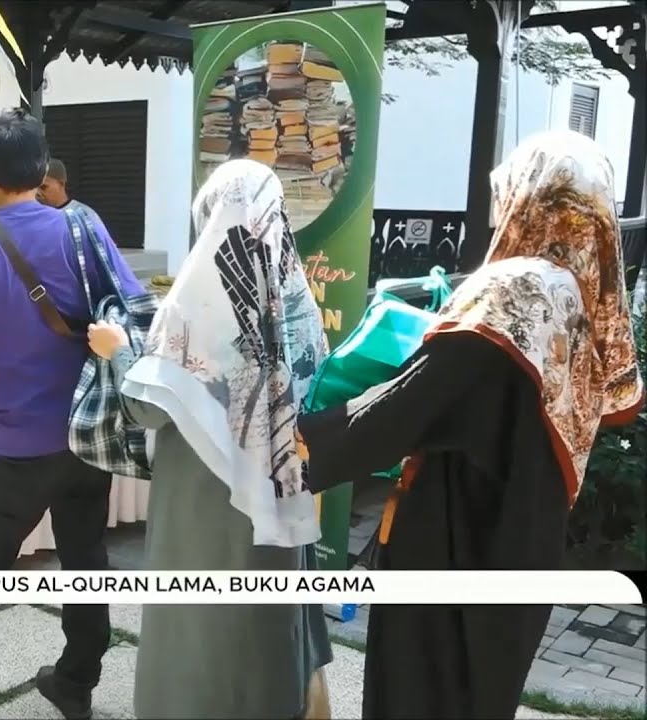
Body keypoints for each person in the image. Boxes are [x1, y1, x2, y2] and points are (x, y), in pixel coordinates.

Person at [297, 129, 643, 719]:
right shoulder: (574, 295)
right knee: (481, 691)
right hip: (523, 537)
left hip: (458, 534)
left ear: (535, 198)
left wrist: (300, 443)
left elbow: (416, 400)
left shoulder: (515, 289)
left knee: (424, 690)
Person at [87, 159, 333, 719]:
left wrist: (117, 351)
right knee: (264, 620)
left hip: (201, 496)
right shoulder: (296, 297)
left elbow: (146, 408)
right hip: (273, 491)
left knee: (197, 625)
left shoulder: (194, 304)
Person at [0, 109, 144, 720]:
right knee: (86, 560)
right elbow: (131, 308)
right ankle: (76, 680)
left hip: (17, 447)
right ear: (41, 170)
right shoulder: (83, 228)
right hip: (87, 433)